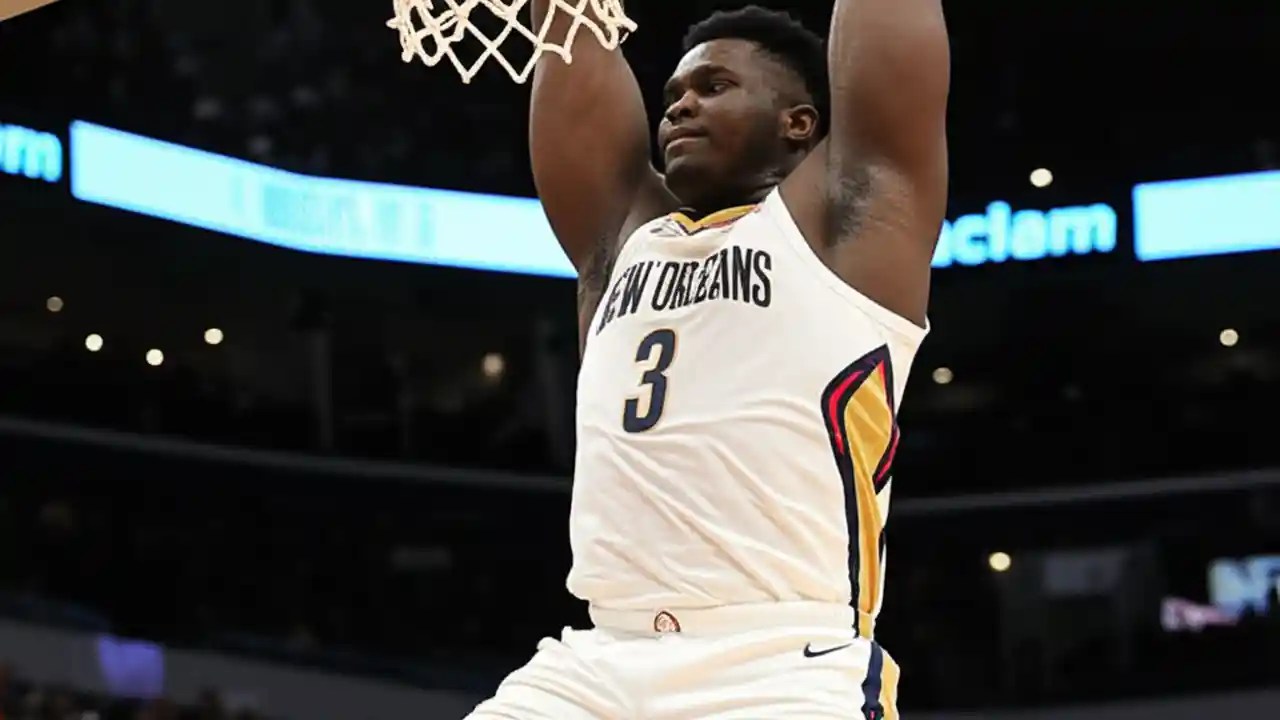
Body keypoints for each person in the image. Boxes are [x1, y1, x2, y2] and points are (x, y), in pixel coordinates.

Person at [467, 1, 948, 717]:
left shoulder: (852, 232)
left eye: (714, 87)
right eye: (673, 97)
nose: (681, 106)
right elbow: (572, 27)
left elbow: (891, 67)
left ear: (799, 123)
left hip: (778, 661)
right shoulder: (624, 236)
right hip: (599, 659)